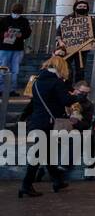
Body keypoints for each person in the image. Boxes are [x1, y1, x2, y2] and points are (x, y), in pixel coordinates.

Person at [19, 56, 73, 197]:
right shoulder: (56, 82)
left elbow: (35, 102)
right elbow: (66, 100)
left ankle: (56, 180)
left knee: (47, 152)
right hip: (48, 122)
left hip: (37, 121)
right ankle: (26, 184)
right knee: (39, 153)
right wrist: (79, 96)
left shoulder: (37, 82)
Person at [0, 1, 31, 117]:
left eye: (18, 13)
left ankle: (11, 89)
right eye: (15, 12)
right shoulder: (5, 20)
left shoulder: (24, 21)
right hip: (4, 46)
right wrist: (4, 34)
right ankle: (1, 88)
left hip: (17, 47)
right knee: (3, 67)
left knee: (15, 69)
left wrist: (21, 35)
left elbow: (27, 32)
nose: (16, 14)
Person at [55, 0, 95, 84]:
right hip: (68, 48)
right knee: (67, 67)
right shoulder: (67, 18)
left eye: (84, 6)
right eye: (80, 6)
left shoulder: (91, 20)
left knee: (80, 69)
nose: (82, 8)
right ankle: (67, 86)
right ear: (75, 7)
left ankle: (79, 87)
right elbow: (59, 31)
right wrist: (60, 41)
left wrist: (93, 43)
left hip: (83, 48)